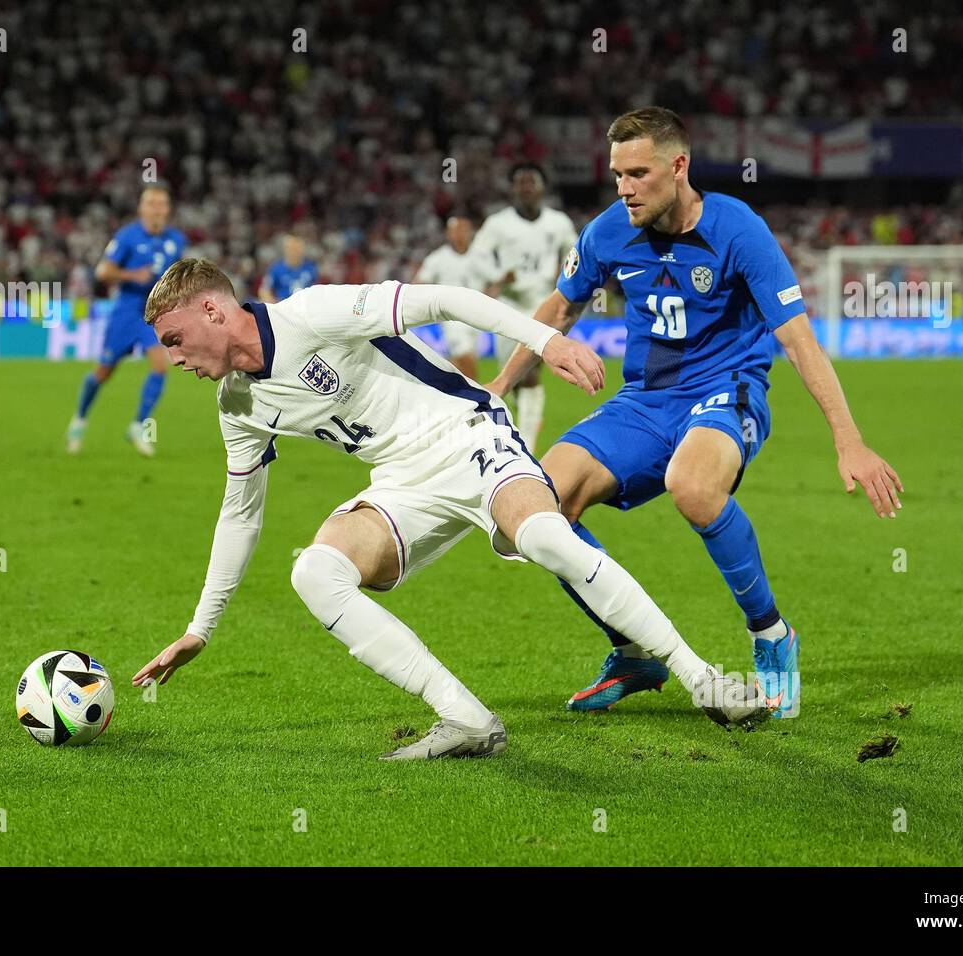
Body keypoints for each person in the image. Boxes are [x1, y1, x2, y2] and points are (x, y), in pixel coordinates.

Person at [131, 258, 768, 760]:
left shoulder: (312, 313)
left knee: (544, 536)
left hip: (468, 433)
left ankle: (703, 678)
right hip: (402, 482)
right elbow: (240, 513)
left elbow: (442, 300)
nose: (175, 358)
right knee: (314, 573)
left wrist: (547, 342)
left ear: (213, 309)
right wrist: (200, 627)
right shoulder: (236, 405)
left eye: (176, 339)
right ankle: (464, 718)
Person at [489, 108, 904, 718]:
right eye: (616, 175)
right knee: (534, 508)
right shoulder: (607, 231)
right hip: (644, 401)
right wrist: (498, 386)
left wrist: (849, 441)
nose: (625, 188)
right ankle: (633, 651)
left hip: (726, 391)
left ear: (678, 166)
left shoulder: (739, 230)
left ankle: (771, 636)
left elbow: (799, 342)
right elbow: (557, 310)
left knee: (692, 485)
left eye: (638, 173)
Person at [66, 185, 186, 456]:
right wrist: (132, 276)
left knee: (160, 367)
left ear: (167, 209)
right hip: (126, 312)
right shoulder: (128, 236)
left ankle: (137, 425)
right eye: (151, 203)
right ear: (142, 208)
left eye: (161, 204)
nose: (157, 209)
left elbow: (177, 275)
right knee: (103, 372)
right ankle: (80, 418)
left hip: (153, 314)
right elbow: (102, 271)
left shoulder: (175, 239)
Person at [467, 164, 577, 452]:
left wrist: (563, 280)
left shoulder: (558, 222)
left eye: (532, 181)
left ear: (542, 187)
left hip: (542, 302)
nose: (526, 187)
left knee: (530, 374)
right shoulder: (498, 223)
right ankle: (519, 431)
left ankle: (525, 445)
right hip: (508, 306)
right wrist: (498, 275)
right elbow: (477, 256)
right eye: (520, 182)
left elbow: (575, 254)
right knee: (512, 377)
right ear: (513, 188)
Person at [411, 215, 484, 378]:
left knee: (462, 361)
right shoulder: (438, 258)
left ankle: (452, 392)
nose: (460, 234)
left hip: (478, 315)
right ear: (448, 233)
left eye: (463, 230)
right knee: (465, 357)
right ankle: (481, 397)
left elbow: (493, 279)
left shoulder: (481, 256)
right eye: (455, 230)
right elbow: (418, 284)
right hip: (453, 318)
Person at [258, 235, 318, 303]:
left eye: (297, 248)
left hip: (305, 306)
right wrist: (273, 304)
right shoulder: (276, 268)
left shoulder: (311, 268)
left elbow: (316, 289)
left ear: (303, 249)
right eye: (291, 248)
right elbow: (264, 290)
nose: (294, 252)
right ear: (285, 249)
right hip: (284, 306)